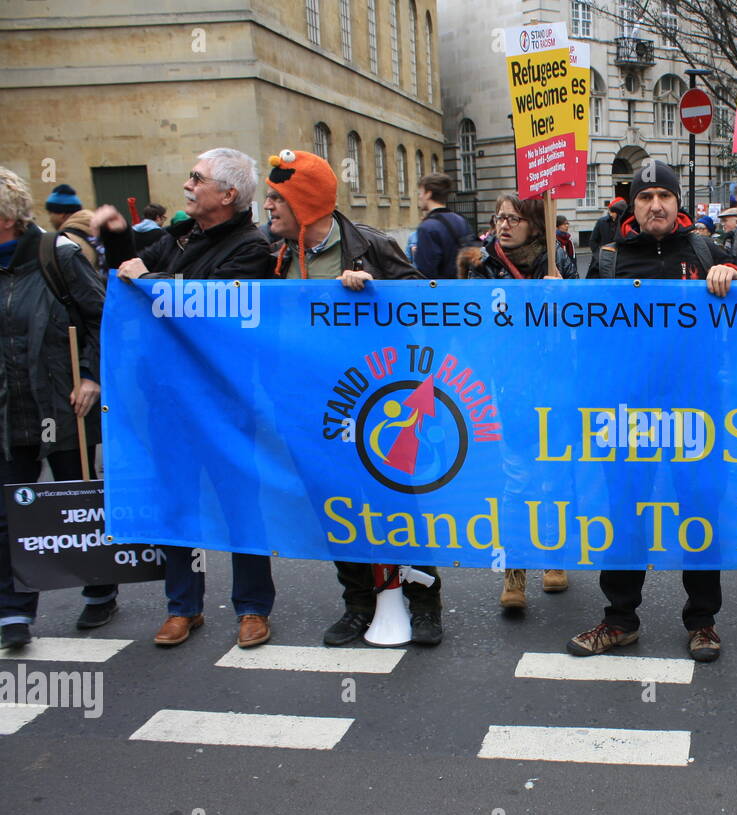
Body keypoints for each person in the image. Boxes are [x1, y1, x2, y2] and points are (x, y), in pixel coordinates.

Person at [259, 148, 447, 648]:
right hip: (309, 407)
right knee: (338, 506)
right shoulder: (270, 254)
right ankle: (359, 605)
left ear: (307, 203)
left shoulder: (373, 247)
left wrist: (376, 294)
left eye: (278, 198)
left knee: (396, 503)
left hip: (372, 405)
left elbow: (423, 308)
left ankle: (423, 601)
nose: (269, 207)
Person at [93, 147, 275, 650]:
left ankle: (253, 606)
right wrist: (115, 242)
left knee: (240, 502)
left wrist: (148, 278)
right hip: (168, 398)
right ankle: (183, 607)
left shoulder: (250, 248)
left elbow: (205, 307)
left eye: (198, 178)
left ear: (228, 194)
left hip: (224, 401)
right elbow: (129, 280)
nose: (188, 185)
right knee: (177, 499)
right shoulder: (177, 237)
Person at [574, 159, 737, 663]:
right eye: (645, 198)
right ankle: (620, 619)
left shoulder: (701, 248)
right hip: (627, 412)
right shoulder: (608, 258)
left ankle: (703, 622)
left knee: (699, 510)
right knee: (625, 511)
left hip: (696, 411)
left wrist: (732, 271)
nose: (655, 206)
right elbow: (581, 326)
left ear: (677, 203)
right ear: (633, 205)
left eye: (663, 197)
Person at [0, 167, 112, 649]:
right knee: (9, 510)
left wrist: (91, 376)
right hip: (8, 411)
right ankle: (13, 612)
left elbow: (101, 318)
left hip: (62, 402)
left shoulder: (58, 255)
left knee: (76, 499)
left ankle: (99, 586)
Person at [459, 192, 575, 610]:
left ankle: (556, 556)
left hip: (557, 388)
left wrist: (563, 299)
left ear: (534, 224)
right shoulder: (483, 266)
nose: (503, 225)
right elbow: (477, 326)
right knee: (517, 480)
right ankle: (515, 569)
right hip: (510, 389)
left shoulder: (556, 261)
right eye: (499, 216)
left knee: (558, 475)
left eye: (514, 218)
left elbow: (577, 326)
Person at [412, 172, 474, 279]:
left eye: (420, 193)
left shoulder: (427, 228)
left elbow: (425, 273)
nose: (419, 197)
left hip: (440, 292)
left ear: (428, 194)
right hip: (463, 289)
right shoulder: (461, 220)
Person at [45, 184, 101, 272]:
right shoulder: (99, 231)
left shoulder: (65, 240)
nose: (50, 219)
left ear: (62, 215)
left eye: (50, 213)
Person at [584, 197, 625, 277]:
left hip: (618, 260)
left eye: (613, 212)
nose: (610, 214)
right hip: (602, 259)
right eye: (610, 211)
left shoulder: (624, 224)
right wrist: (598, 255)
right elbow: (593, 241)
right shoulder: (601, 222)